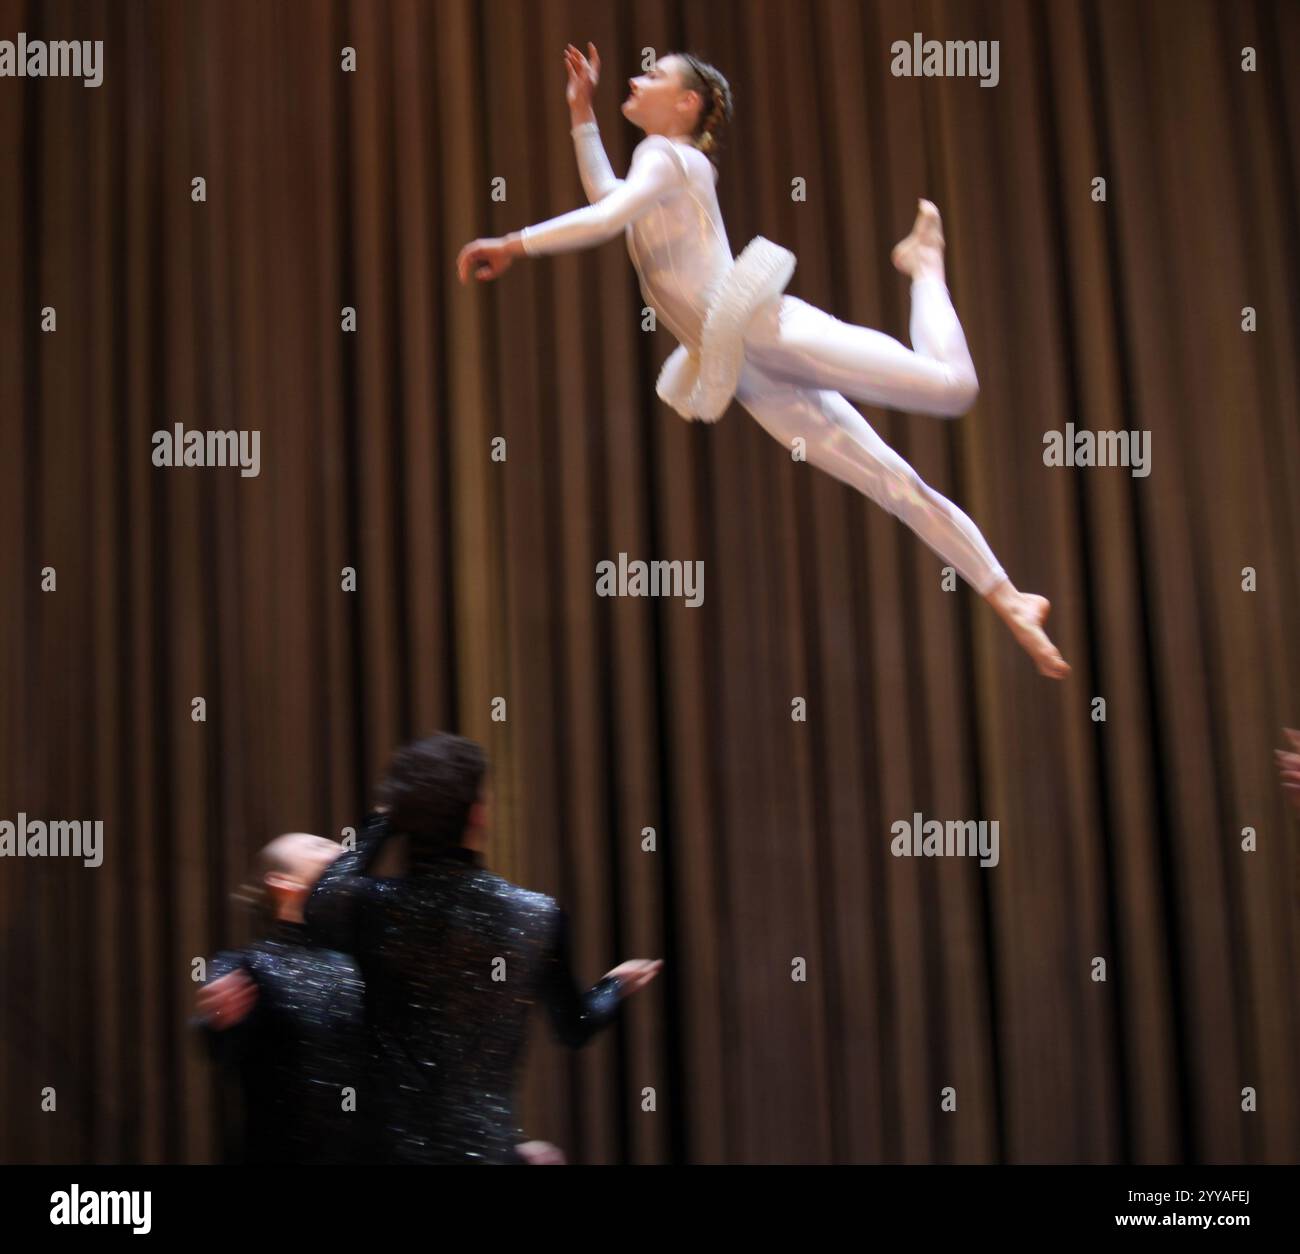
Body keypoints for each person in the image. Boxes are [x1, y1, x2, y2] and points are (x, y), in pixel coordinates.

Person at [457, 44, 1070, 679]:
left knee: (953, 387)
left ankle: (924, 264)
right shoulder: (656, 164)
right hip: (743, 370)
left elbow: (606, 215)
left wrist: (514, 242)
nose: (636, 78)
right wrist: (582, 114)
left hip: (762, 325)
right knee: (891, 483)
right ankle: (1007, 594)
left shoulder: (670, 156)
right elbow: (608, 195)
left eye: (655, 75)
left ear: (687, 104)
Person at [305, 733, 662, 1164]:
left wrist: (380, 823)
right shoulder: (536, 915)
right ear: (478, 815)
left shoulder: (370, 905)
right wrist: (613, 987)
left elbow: (321, 899)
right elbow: (575, 1026)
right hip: (484, 1152)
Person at [195, 832, 367, 1164]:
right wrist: (217, 1024)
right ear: (283, 883)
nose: (335, 848)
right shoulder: (247, 966)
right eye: (315, 846)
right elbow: (219, 1044)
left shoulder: (355, 964)